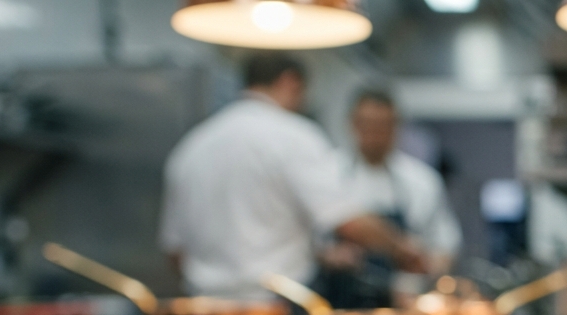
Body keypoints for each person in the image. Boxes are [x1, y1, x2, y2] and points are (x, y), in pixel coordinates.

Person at [159, 54, 431, 301]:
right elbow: (348, 222)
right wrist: (402, 249)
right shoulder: (294, 136)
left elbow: (175, 252)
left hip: (205, 309)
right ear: (290, 83)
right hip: (275, 306)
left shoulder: (191, 147)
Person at [321, 89, 461, 308]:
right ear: (352, 124)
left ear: (397, 127)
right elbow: (309, 243)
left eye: (383, 126)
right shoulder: (327, 174)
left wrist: (423, 267)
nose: (375, 134)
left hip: (404, 305)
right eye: (367, 125)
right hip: (341, 306)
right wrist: (330, 256)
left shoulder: (422, 180)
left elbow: (445, 245)